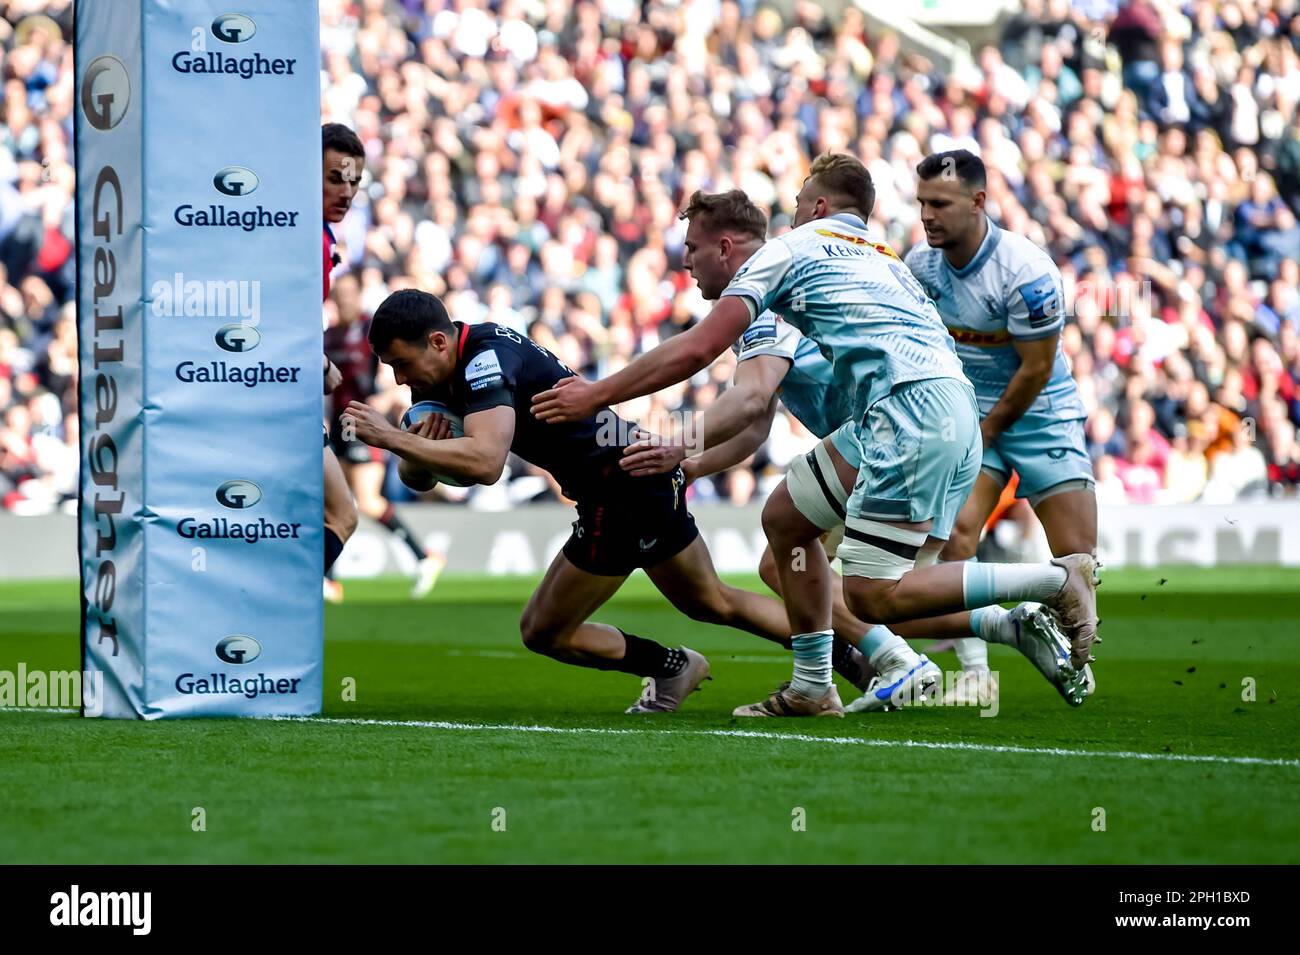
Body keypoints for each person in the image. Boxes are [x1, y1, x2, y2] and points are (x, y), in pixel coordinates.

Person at [532, 155, 1098, 719]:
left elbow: (710, 358)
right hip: (925, 411)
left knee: (874, 596)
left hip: (909, 414)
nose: (793, 215)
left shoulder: (786, 252)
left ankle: (1048, 582)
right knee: (785, 521)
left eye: (801, 203)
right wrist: (689, 462)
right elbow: (753, 418)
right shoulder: (883, 256)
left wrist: (598, 396)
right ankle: (816, 685)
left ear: (819, 207)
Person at [341, 289, 813, 714]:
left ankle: (673, 667)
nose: (401, 379)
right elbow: (419, 479)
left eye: (402, 364)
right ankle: (855, 654)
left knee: (543, 630)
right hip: (632, 479)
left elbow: (485, 464)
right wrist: (415, 449)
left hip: (619, 489)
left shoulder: (486, 359)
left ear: (439, 342)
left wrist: (391, 438)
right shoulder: (438, 376)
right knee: (714, 601)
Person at [906, 149, 1100, 704]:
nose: (927, 215)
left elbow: (1037, 367)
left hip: (1041, 412)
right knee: (957, 532)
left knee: (1076, 558)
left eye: (939, 203)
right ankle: (974, 674)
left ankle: (1077, 659)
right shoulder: (921, 267)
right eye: (922, 203)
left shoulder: (1028, 272)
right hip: (972, 412)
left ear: (978, 202)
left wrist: (989, 428)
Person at [321, 123, 444, 601]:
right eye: (336, 178)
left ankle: (421, 557)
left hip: (363, 423)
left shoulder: (371, 325)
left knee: (359, 504)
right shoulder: (330, 329)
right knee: (345, 508)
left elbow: (396, 378)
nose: (347, 192)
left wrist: (380, 401)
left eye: (355, 182)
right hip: (337, 421)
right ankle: (325, 577)